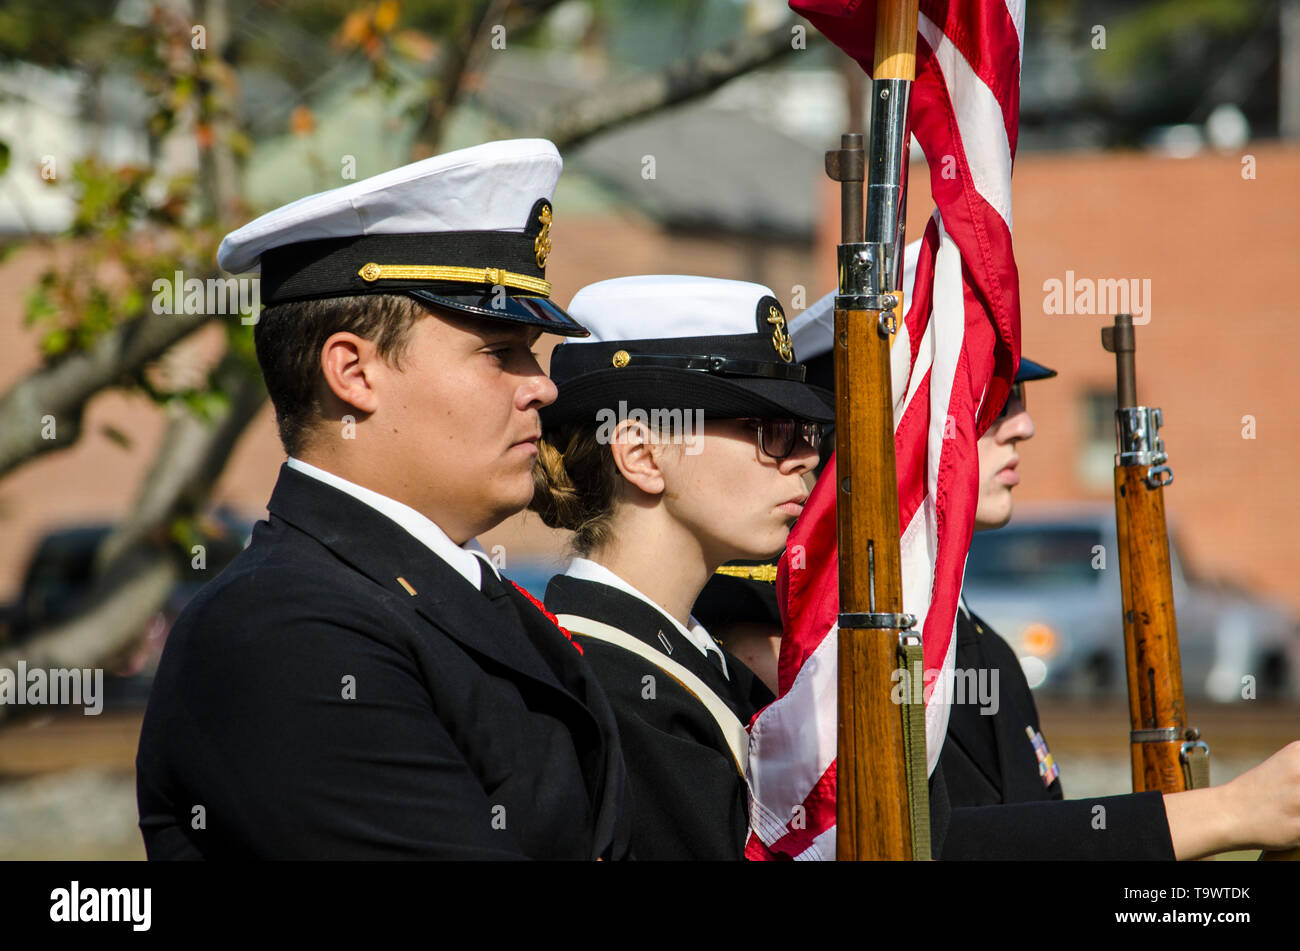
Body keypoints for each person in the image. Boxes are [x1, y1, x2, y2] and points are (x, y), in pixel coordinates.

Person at [135, 139, 631, 860]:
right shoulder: (283, 630)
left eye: (534, 351)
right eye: (500, 351)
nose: (543, 386)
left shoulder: (461, 596)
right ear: (354, 372)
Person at [776, 291, 1300, 860]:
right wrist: (1228, 813)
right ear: (892, 424)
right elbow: (928, 847)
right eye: (990, 400)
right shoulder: (807, 646)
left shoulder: (985, 648)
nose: (1023, 425)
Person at [529, 275, 834, 859]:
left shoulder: (692, 656)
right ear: (642, 455)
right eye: (770, 430)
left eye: (806, 431)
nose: (806, 456)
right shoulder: (607, 684)